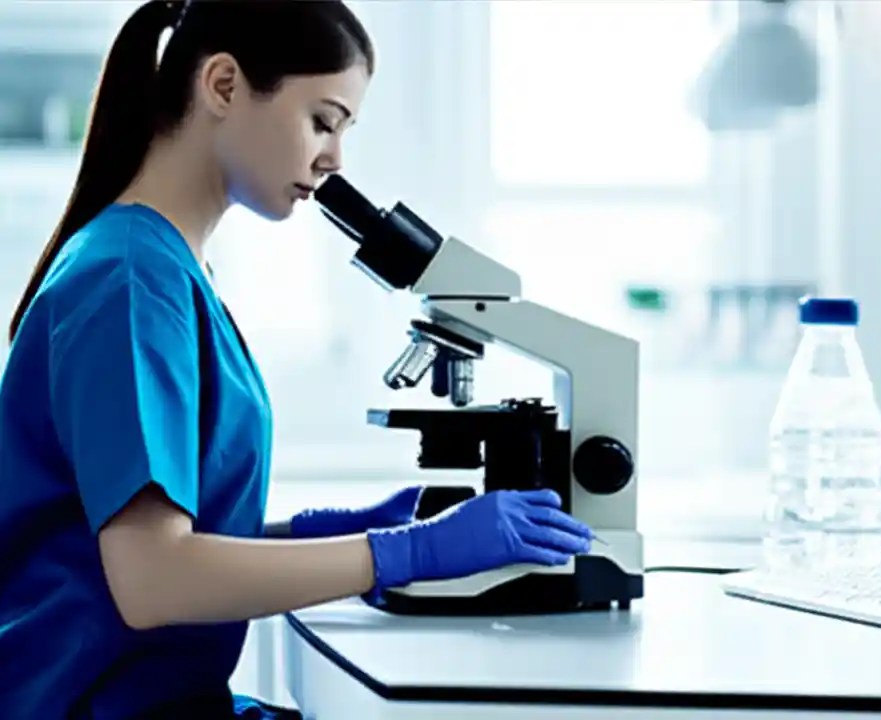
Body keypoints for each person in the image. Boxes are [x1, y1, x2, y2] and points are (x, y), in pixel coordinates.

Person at [0, 2, 596, 718]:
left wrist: (322, 535)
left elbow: (141, 539)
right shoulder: (132, 279)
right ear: (222, 85)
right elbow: (152, 579)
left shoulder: (161, 265)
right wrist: (400, 554)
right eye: (323, 120)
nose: (334, 159)